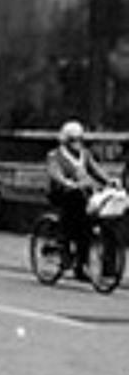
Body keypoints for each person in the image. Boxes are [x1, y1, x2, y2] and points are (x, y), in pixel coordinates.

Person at [46, 120, 113, 280]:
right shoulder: (55, 155)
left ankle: (81, 265)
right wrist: (66, 182)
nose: (76, 143)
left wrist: (108, 180)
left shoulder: (85, 154)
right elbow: (55, 173)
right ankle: (63, 244)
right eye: (72, 140)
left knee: (86, 226)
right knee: (71, 213)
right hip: (62, 193)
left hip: (82, 192)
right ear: (65, 140)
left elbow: (95, 170)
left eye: (78, 139)